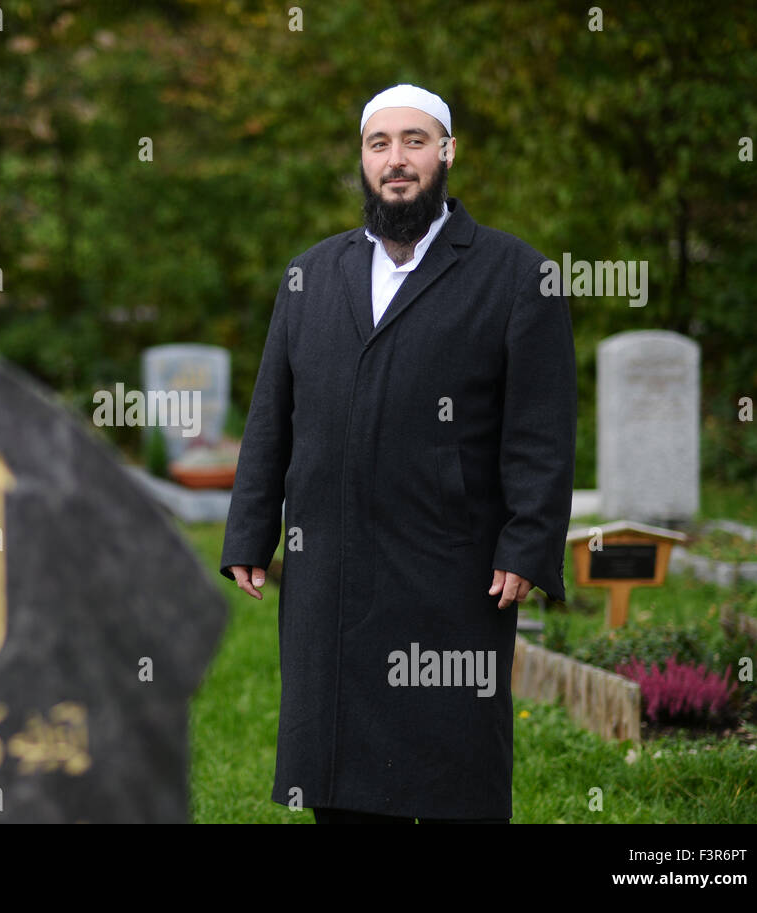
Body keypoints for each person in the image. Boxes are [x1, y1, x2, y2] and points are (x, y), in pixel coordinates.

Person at [220, 84, 577, 824]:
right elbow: (270, 417)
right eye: (379, 143)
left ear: (447, 152)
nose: (397, 160)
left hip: (451, 565)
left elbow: (542, 429)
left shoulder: (515, 275)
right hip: (331, 569)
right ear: (363, 159)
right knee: (337, 772)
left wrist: (529, 539)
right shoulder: (309, 275)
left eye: (415, 141)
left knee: (453, 771)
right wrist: (249, 531)